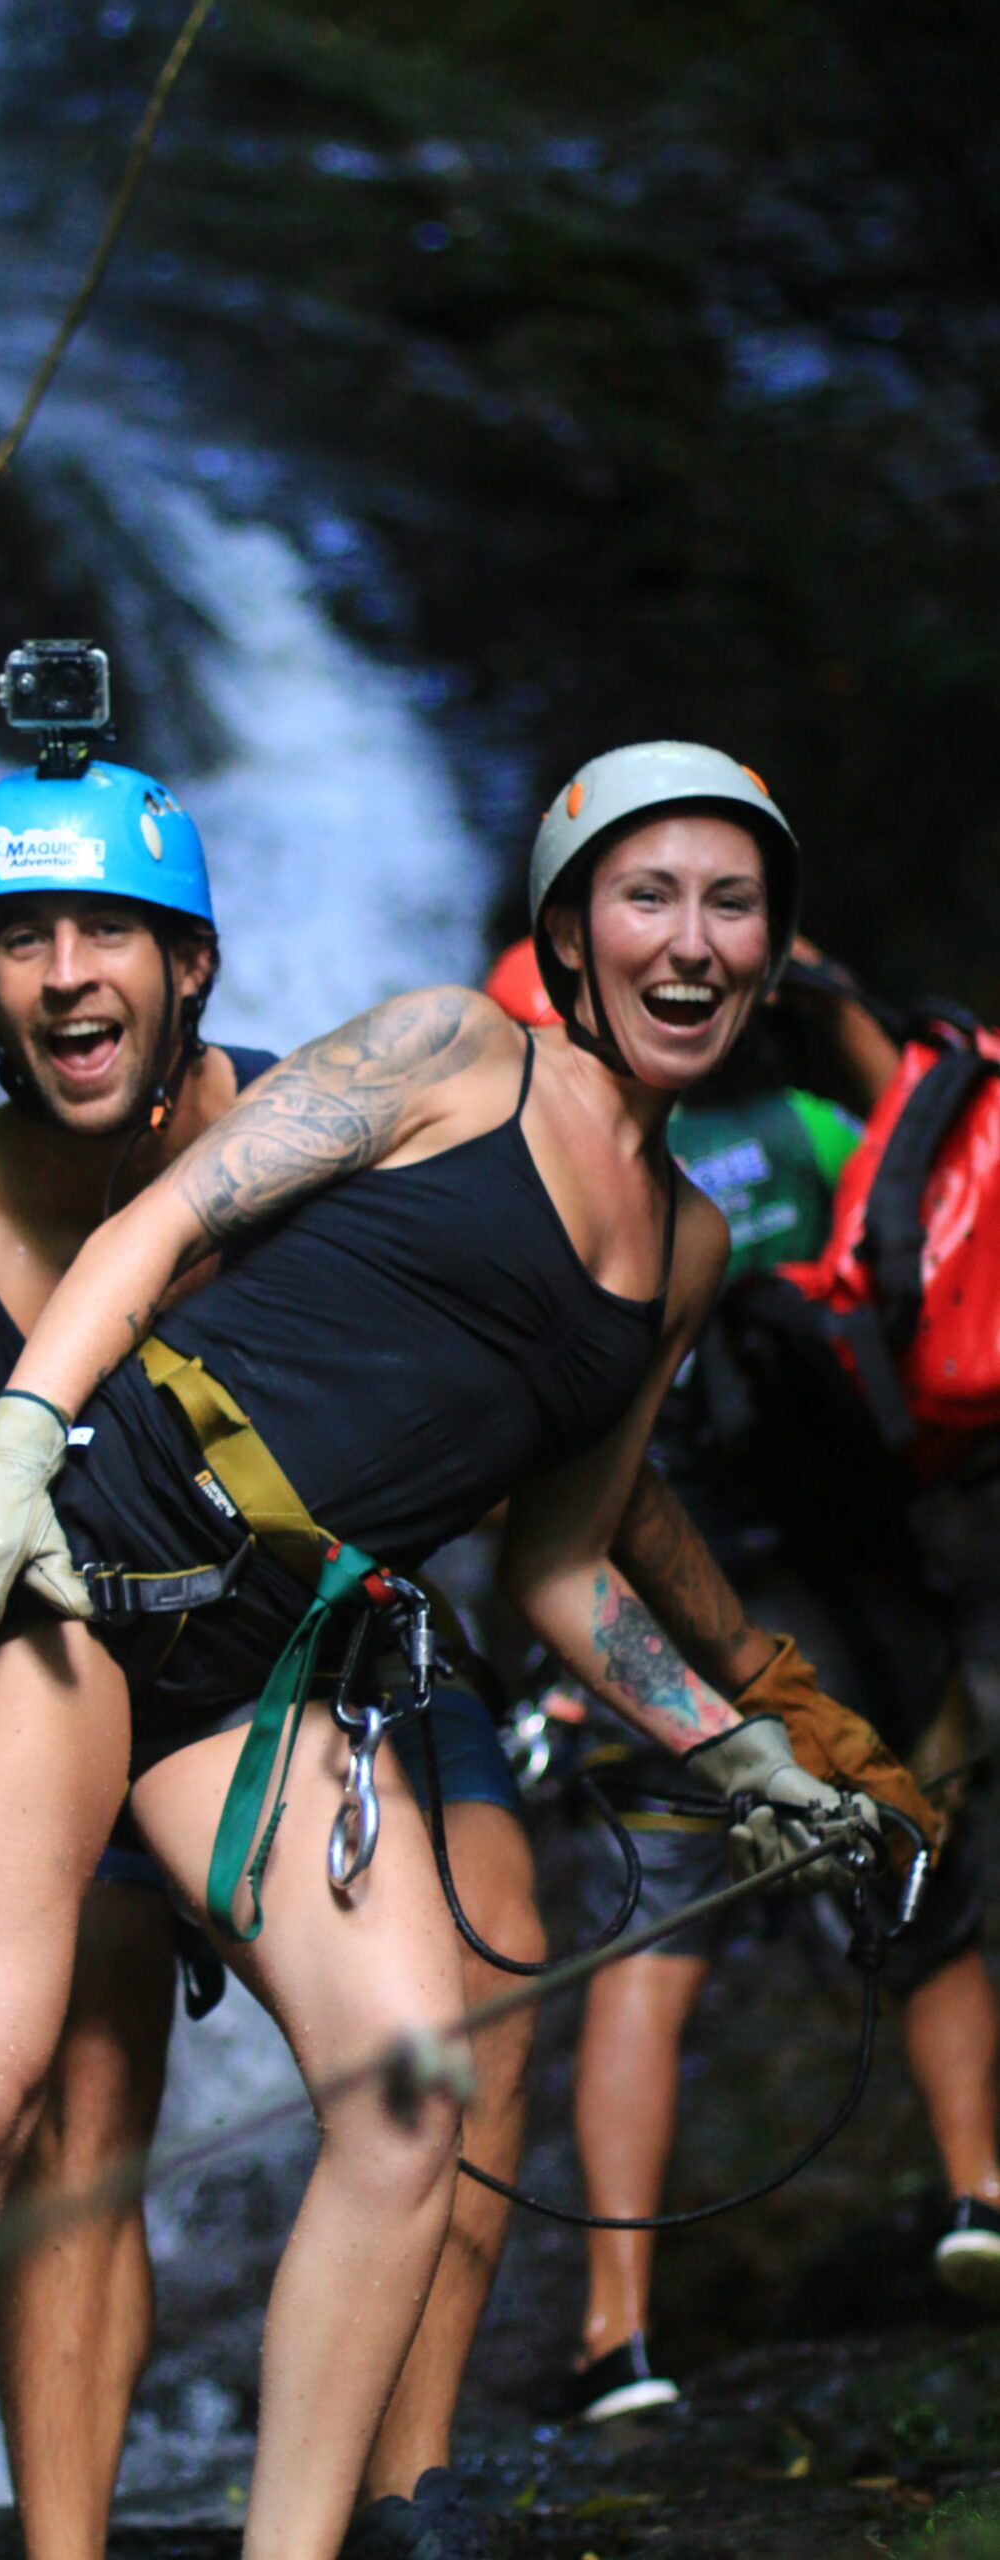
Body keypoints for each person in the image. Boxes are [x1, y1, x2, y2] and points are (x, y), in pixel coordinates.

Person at [0, 741, 902, 2560]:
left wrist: (744, 1758)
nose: (692, 940)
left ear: (775, 952)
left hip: (282, 1660)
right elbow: (168, 1214)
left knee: (416, 2090)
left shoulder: (692, 1244)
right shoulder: (448, 1057)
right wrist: (9, 1446)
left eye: (734, 904)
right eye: (649, 897)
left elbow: (563, 1561)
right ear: (569, 936)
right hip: (82, 1561)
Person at [0, 719, 561, 2560]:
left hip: (293, 1664)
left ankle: (396, 2505)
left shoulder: (328, 1157)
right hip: (48, 1659)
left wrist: (728, 1690)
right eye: (21, 941)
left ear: (193, 966)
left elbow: (543, 1364)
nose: (68, 974)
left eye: (109, 934)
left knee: (455, 2024)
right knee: (48, 2099)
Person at [476, 939, 1000, 2422]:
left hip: (668, 1614)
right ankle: (982, 2193)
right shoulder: (803, 1137)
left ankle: (616, 2335)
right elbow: (925, 1159)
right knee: (929, 1892)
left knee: (652, 1952)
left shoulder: (550, 1195)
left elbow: (531, 1476)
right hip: (861, 1589)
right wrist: (830, 987)